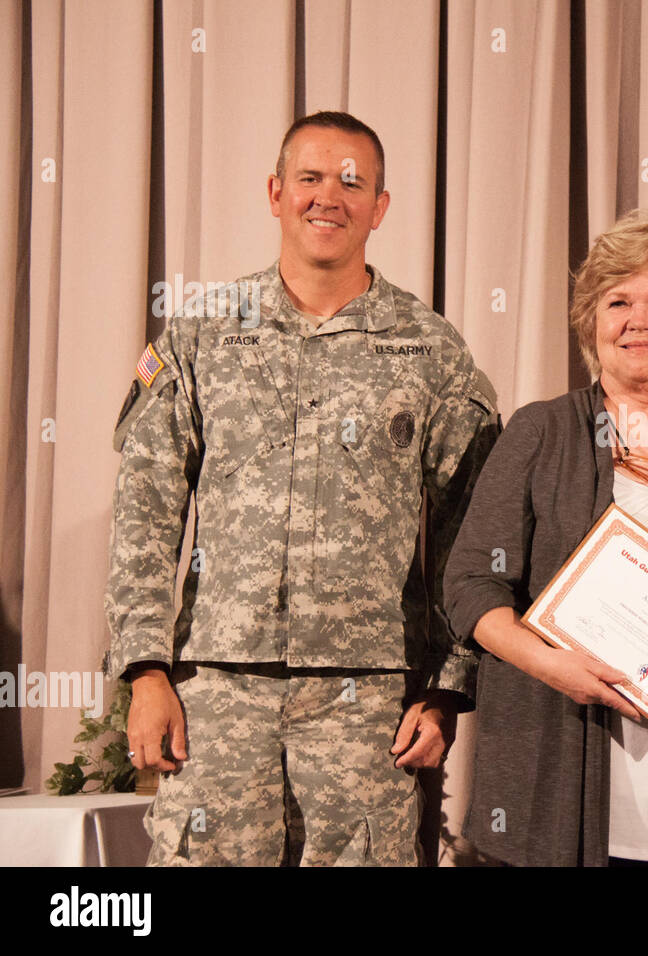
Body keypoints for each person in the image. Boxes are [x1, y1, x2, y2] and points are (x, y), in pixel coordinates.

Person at [105, 111, 499, 866]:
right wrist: (146, 670)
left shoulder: (430, 350)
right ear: (276, 192)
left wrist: (448, 688)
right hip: (214, 689)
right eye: (311, 178)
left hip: (369, 703)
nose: (330, 197)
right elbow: (146, 510)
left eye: (352, 182)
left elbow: (469, 532)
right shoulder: (204, 333)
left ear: (380, 206)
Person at [444, 211, 648, 866]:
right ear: (592, 321)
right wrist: (551, 663)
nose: (639, 319)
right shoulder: (540, 432)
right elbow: (468, 585)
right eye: (618, 301)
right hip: (548, 782)